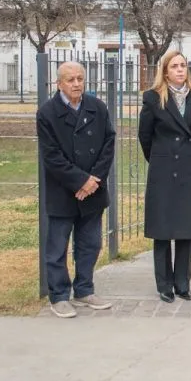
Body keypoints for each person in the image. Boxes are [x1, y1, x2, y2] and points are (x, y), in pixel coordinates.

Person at [36, 62, 117, 318]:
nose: (76, 84)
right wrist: (80, 181)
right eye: (70, 79)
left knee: (90, 244)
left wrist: (94, 181)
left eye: (80, 78)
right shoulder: (47, 113)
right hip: (63, 191)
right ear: (58, 83)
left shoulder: (97, 107)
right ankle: (59, 295)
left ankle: (84, 289)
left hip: (93, 190)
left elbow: (108, 143)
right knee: (57, 247)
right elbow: (52, 156)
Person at [138, 50, 191, 302]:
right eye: (175, 66)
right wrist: (162, 159)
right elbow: (145, 136)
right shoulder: (152, 98)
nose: (180, 70)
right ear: (165, 71)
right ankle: (164, 284)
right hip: (164, 169)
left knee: (184, 228)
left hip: (189, 169)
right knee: (162, 229)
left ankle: (182, 283)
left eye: (183, 66)